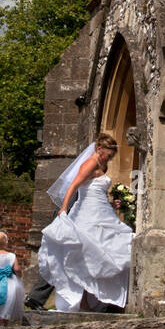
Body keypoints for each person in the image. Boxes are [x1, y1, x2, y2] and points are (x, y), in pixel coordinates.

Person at [36, 132, 133, 312]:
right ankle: (84, 302)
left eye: (112, 155)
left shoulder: (102, 165)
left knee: (105, 250)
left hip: (101, 212)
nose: (110, 158)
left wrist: (111, 204)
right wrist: (64, 208)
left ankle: (102, 299)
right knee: (87, 253)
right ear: (98, 149)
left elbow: (96, 190)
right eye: (108, 154)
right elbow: (74, 185)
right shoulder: (90, 163)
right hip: (88, 213)